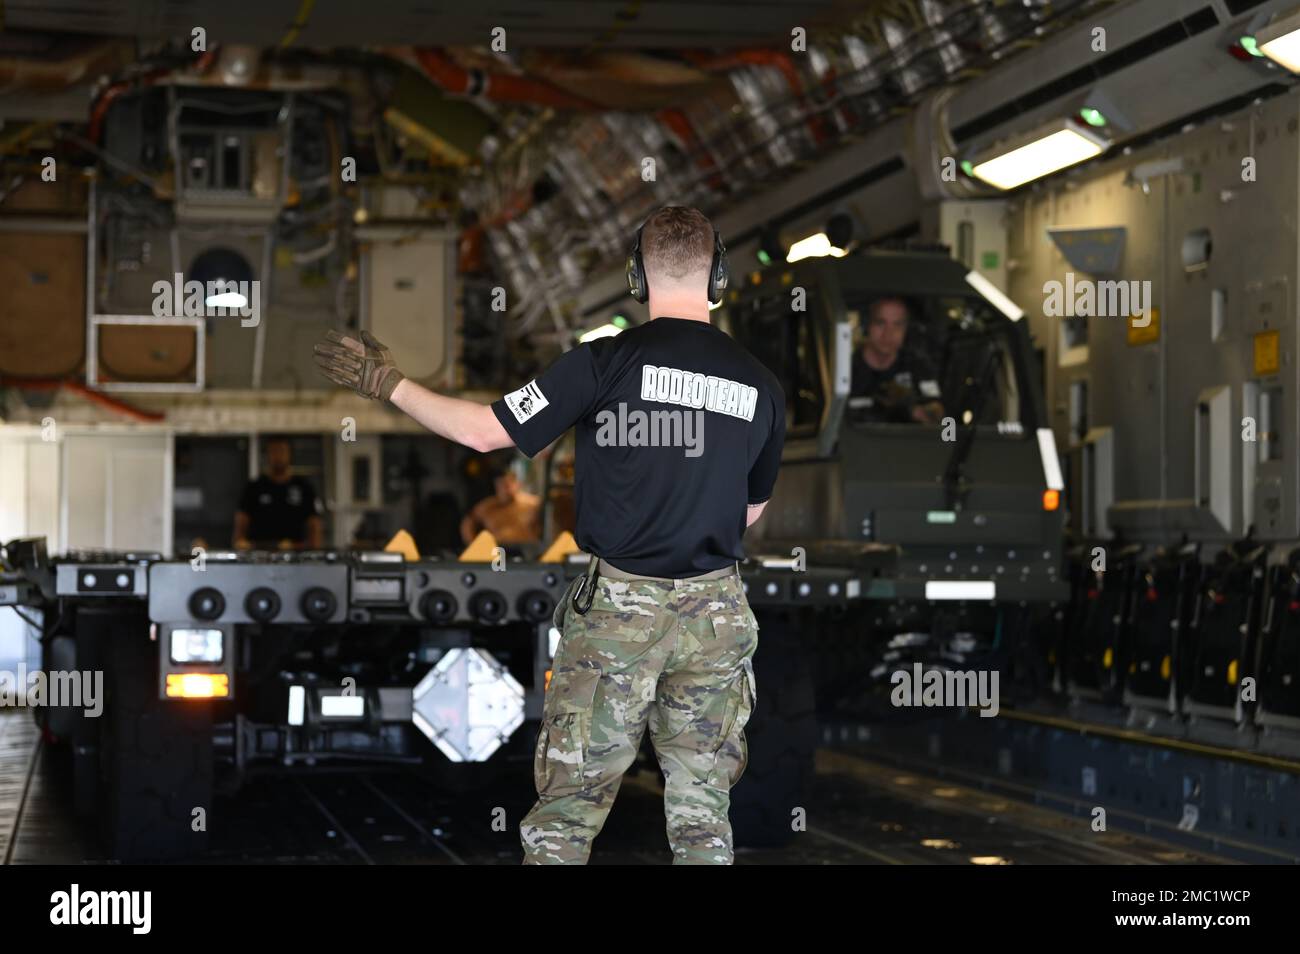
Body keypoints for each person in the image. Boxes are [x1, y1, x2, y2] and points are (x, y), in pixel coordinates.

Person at [313, 206, 785, 865]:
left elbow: (483, 431)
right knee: (704, 814)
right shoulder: (761, 386)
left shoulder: (602, 364)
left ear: (636, 277)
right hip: (717, 614)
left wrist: (386, 382)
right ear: (719, 275)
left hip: (622, 610)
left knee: (568, 816)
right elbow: (749, 514)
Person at [850, 296, 944, 424]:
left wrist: (911, 407)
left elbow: (937, 410)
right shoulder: (846, 369)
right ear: (867, 326)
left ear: (906, 330)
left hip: (903, 442)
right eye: (880, 323)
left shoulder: (917, 365)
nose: (888, 334)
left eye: (897, 325)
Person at [233, 437, 325, 550]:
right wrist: (242, 544)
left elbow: (315, 527)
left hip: (296, 557)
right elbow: (240, 527)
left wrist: (311, 549)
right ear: (267, 455)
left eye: (282, 451)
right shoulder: (254, 487)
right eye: (273, 451)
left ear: (290, 454)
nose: (278, 456)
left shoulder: (304, 487)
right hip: (258, 557)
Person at [459, 459, 542, 544]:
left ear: (517, 484)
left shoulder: (533, 504)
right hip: (498, 552)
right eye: (502, 485)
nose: (506, 489)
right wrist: (472, 545)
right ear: (496, 486)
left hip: (527, 552)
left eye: (509, 484)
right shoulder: (486, 507)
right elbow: (468, 523)